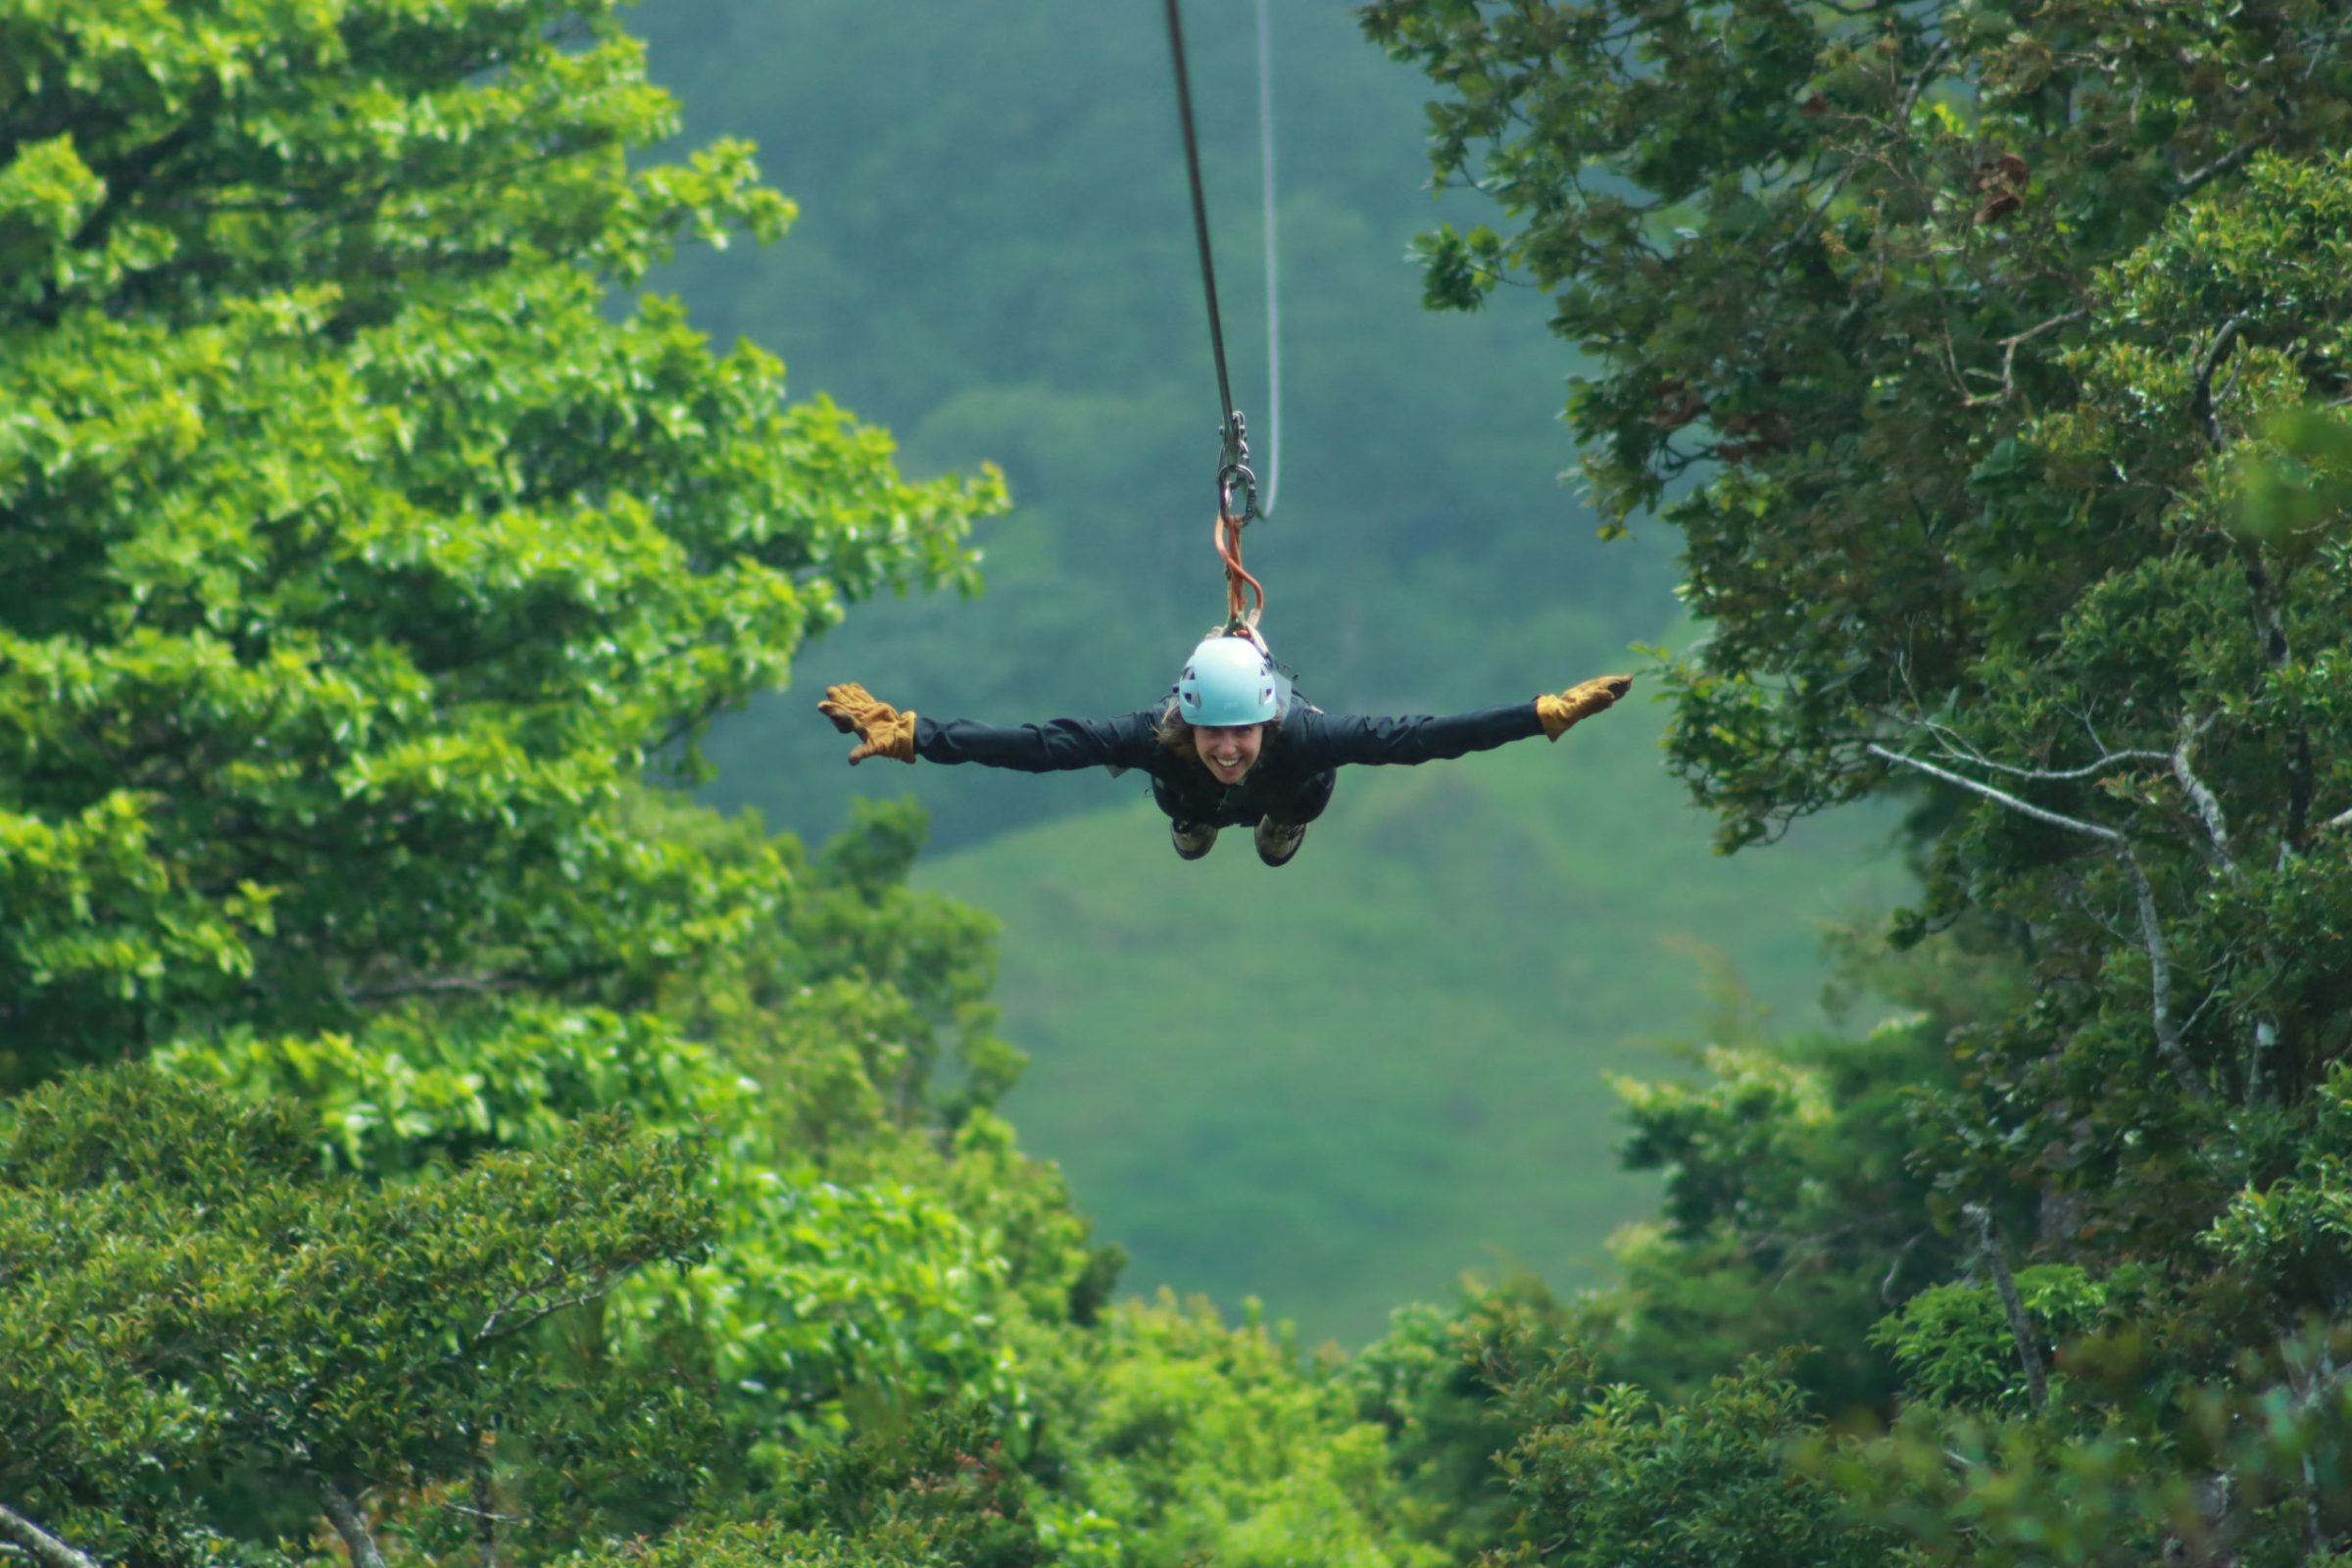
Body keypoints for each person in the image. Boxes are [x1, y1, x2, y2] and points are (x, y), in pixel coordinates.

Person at [815, 632, 1632, 866]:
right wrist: (920, 736)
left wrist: (1540, 715)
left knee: (1297, 798)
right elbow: (1037, 748)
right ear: (1187, 723)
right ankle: (1196, 830)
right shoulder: (1153, 739)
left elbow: (1426, 740)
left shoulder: (1301, 735)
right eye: (1215, 733)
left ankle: (1281, 829)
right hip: (1192, 802)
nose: (1232, 745)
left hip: (1294, 790)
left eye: (1244, 732)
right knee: (1193, 815)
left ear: (1270, 719)